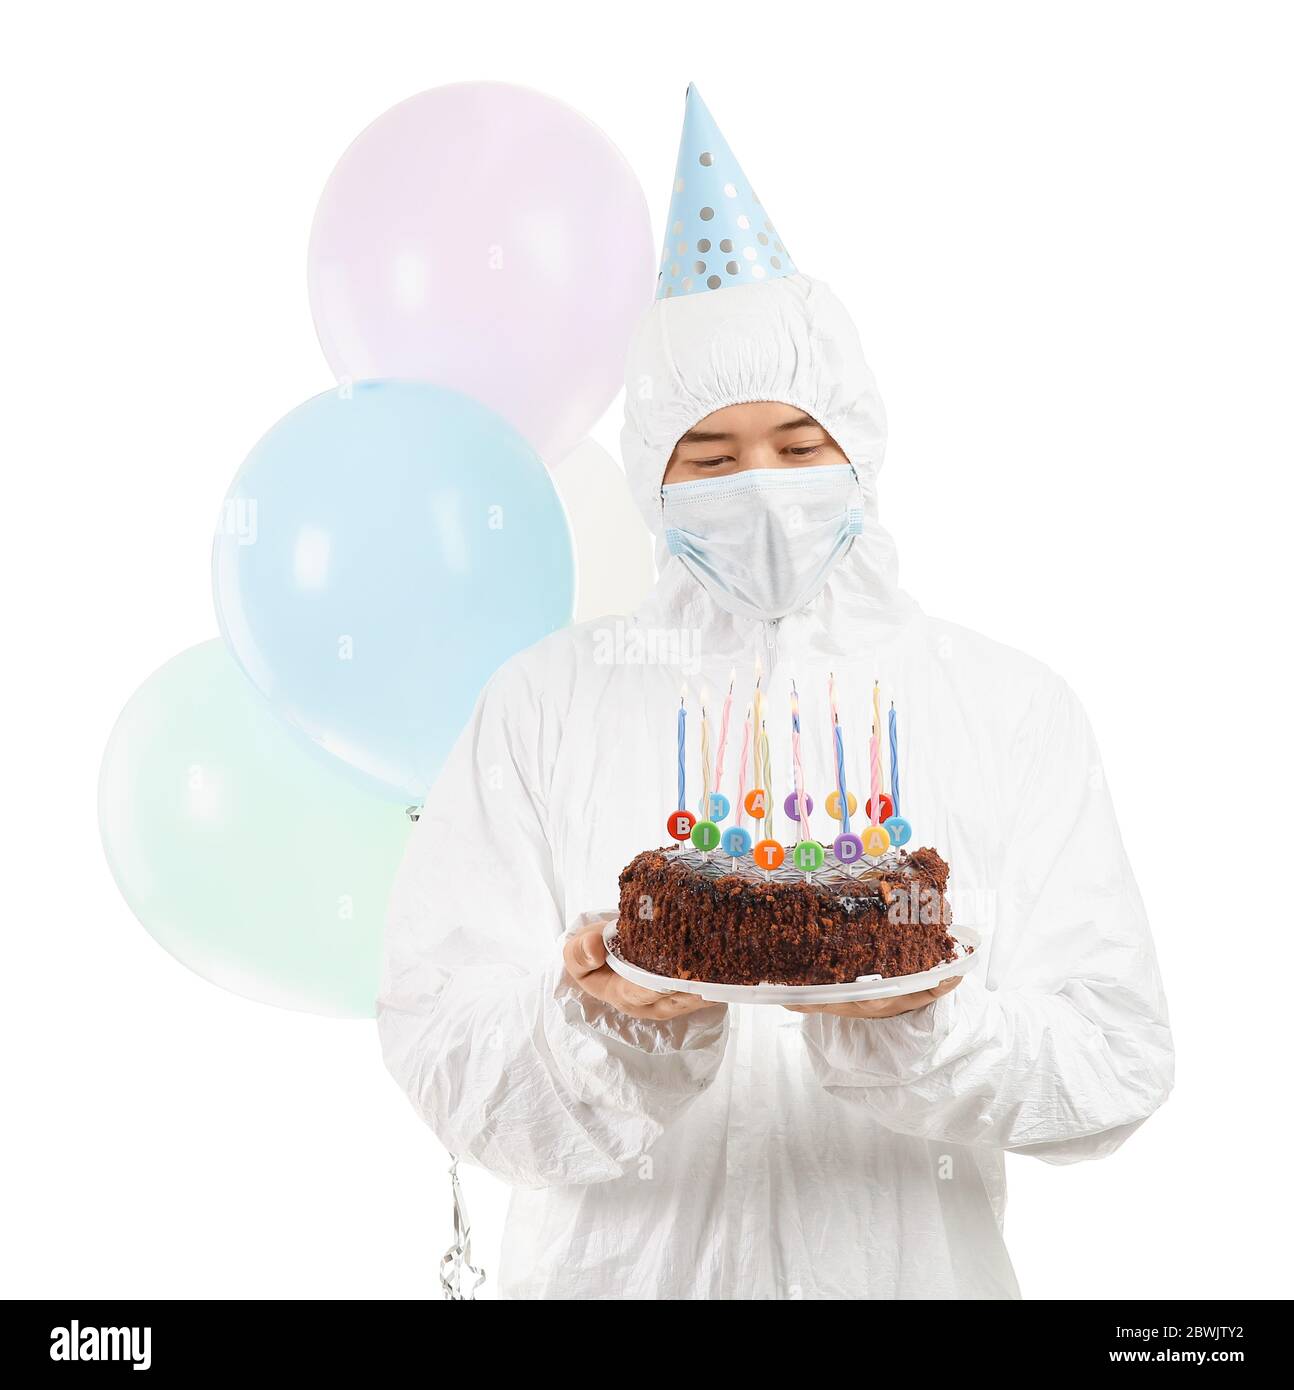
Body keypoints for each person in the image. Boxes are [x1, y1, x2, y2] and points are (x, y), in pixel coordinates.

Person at [377, 86, 1173, 1300]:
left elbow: (1113, 1060)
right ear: (652, 475)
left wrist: (919, 1023)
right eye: (710, 455)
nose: (759, 487)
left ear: (860, 448)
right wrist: (613, 1023)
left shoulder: (1007, 705)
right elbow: (443, 1051)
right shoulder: (546, 702)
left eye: (799, 447)